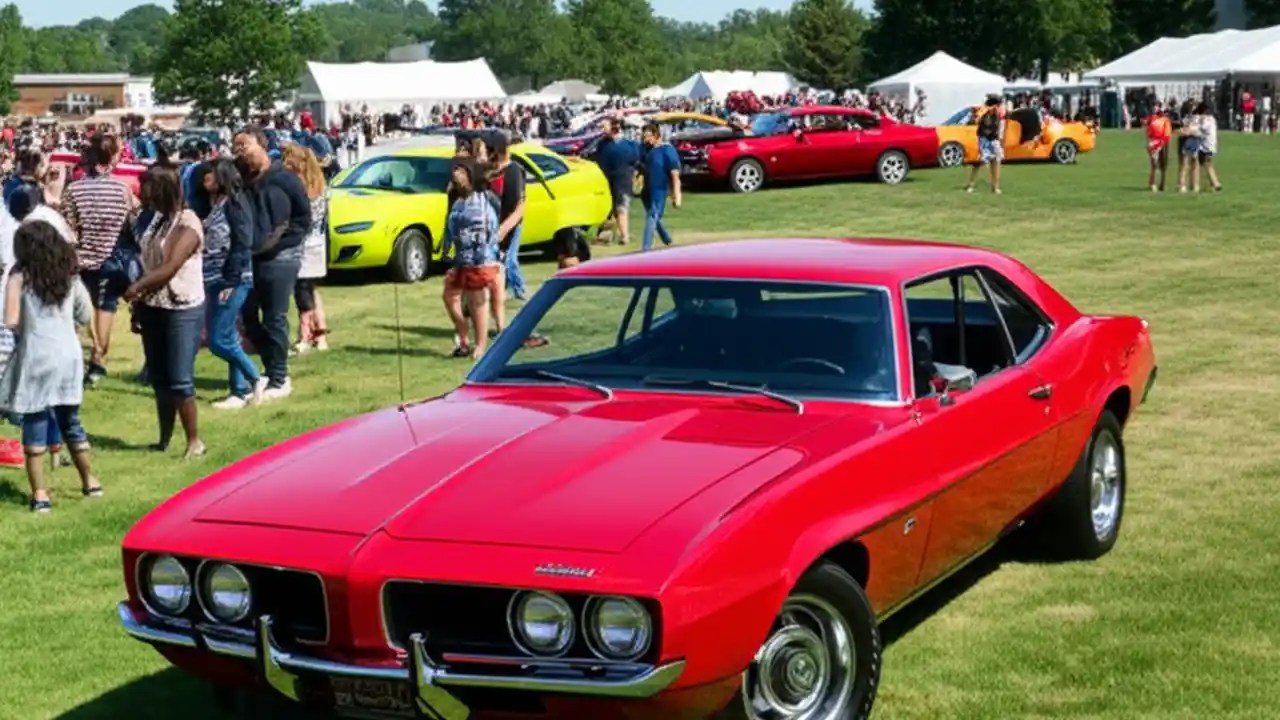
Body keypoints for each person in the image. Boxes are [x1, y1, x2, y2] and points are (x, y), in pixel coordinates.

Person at [0, 219, 101, 512]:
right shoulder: (69, 274)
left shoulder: (20, 276)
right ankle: (90, 481)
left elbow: (11, 319)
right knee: (71, 421)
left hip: (36, 354)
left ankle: (41, 495)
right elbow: (84, 313)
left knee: (35, 424)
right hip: (68, 354)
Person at [124, 164, 206, 458]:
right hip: (153, 306)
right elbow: (146, 259)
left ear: (160, 189)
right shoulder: (156, 219)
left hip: (182, 308)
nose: (140, 192)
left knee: (179, 378)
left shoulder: (189, 223)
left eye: (145, 187)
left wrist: (136, 287)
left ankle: (194, 441)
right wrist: (139, 304)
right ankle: (164, 439)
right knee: (159, 378)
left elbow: (170, 266)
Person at [233, 125, 311, 401]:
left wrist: (286, 243)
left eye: (244, 145)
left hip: (282, 256)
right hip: (250, 255)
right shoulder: (240, 180)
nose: (240, 151)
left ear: (262, 145)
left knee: (274, 316)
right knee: (249, 318)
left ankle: (280, 377)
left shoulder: (285, 179)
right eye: (236, 147)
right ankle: (270, 367)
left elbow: (304, 217)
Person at [60, 134, 136, 386]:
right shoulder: (121, 188)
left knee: (76, 313)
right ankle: (97, 360)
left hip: (80, 258)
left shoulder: (73, 188)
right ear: (113, 157)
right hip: (110, 257)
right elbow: (132, 221)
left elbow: (69, 227)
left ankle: (74, 360)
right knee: (106, 307)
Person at [197, 159, 263, 409]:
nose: (206, 177)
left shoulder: (235, 204)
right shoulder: (216, 205)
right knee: (229, 336)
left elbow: (241, 242)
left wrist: (231, 281)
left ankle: (255, 377)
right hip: (214, 279)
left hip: (231, 280)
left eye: (211, 173)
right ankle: (239, 390)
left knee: (218, 339)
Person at [440, 158, 500, 359]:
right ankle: (464, 334)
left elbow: (490, 227)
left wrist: (484, 255)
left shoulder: (482, 200)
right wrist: (447, 251)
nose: (456, 175)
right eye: (454, 171)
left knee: (477, 301)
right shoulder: (457, 201)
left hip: (479, 258)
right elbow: (450, 226)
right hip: (460, 258)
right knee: (449, 295)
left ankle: (480, 345)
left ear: (470, 175)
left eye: (461, 171)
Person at [280, 143, 330, 354]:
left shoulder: (300, 190)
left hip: (304, 245)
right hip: (318, 244)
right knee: (311, 291)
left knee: (302, 292)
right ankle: (321, 337)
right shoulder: (321, 187)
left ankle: (305, 336)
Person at [484, 133, 527, 301]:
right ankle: (504, 288)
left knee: (509, 259)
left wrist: (505, 227)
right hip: (495, 222)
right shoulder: (490, 172)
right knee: (498, 261)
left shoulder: (514, 171)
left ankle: (520, 290)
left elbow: (519, 206)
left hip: (511, 223)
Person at [592, 118, 642, 245]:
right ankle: (605, 236)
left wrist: (637, 176)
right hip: (606, 181)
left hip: (623, 181)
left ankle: (624, 236)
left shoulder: (629, 145)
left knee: (621, 209)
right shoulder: (602, 144)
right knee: (607, 210)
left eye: (605, 127)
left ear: (614, 128)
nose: (602, 130)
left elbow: (637, 162)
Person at [638, 122, 682, 252]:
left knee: (652, 216)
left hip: (660, 189)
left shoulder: (667, 150)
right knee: (654, 217)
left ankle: (646, 248)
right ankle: (667, 239)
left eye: (648, 136)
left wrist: (677, 195)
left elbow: (675, 175)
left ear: (656, 135)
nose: (645, 139)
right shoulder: (645, 150)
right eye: (643, 136)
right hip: (646, 190)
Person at [965, 95, 1004, 194]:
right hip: (984, 139)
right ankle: (970, 185)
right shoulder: (984, 113)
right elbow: (974, 121)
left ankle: (995, 187)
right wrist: (981, 114)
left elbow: (999, 125)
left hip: (994, 140)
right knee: (979, 163)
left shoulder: (997, 114)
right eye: (998, 104)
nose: (999, 107)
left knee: (995, 162)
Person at [1144, 103, 1172, 192]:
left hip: (1162, 143)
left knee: (1162, 164)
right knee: (1154, 164)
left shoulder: (1165, 120)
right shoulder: (1151, 119)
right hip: (1153, 143)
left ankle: (1161, 184)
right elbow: (1147, 130)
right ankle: (1152, 184)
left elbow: (1167, 134)